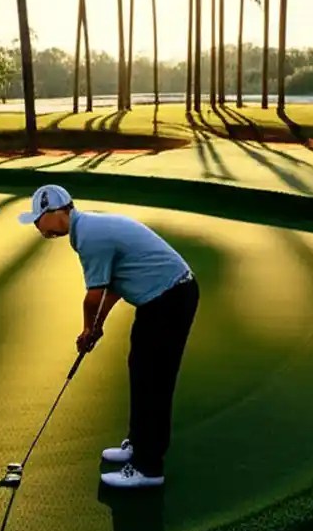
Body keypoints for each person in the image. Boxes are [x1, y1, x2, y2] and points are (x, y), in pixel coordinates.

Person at [18, 184, 199, 488]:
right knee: (140, 369)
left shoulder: (88, 235)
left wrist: (88, 328)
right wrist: (96, 328)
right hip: (160, 299)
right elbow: (112, 288)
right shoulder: (87, 228)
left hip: (171, 298)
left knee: (154, 379)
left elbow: (94, 296)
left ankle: (148, 468)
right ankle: (139, 444)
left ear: (56, 212)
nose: (37, 226)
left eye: (38, 219)